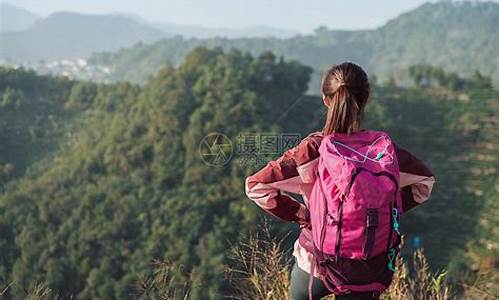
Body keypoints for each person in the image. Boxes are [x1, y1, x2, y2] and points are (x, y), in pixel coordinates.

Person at [245, 62, 435, 300]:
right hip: (368, 267)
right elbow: (424, 183)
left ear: (326, 100)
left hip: (315, 262)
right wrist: (382, 211)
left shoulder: (312, 150)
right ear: (365, 98)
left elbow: (256, 186)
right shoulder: (384, 154)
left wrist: (305, 214)